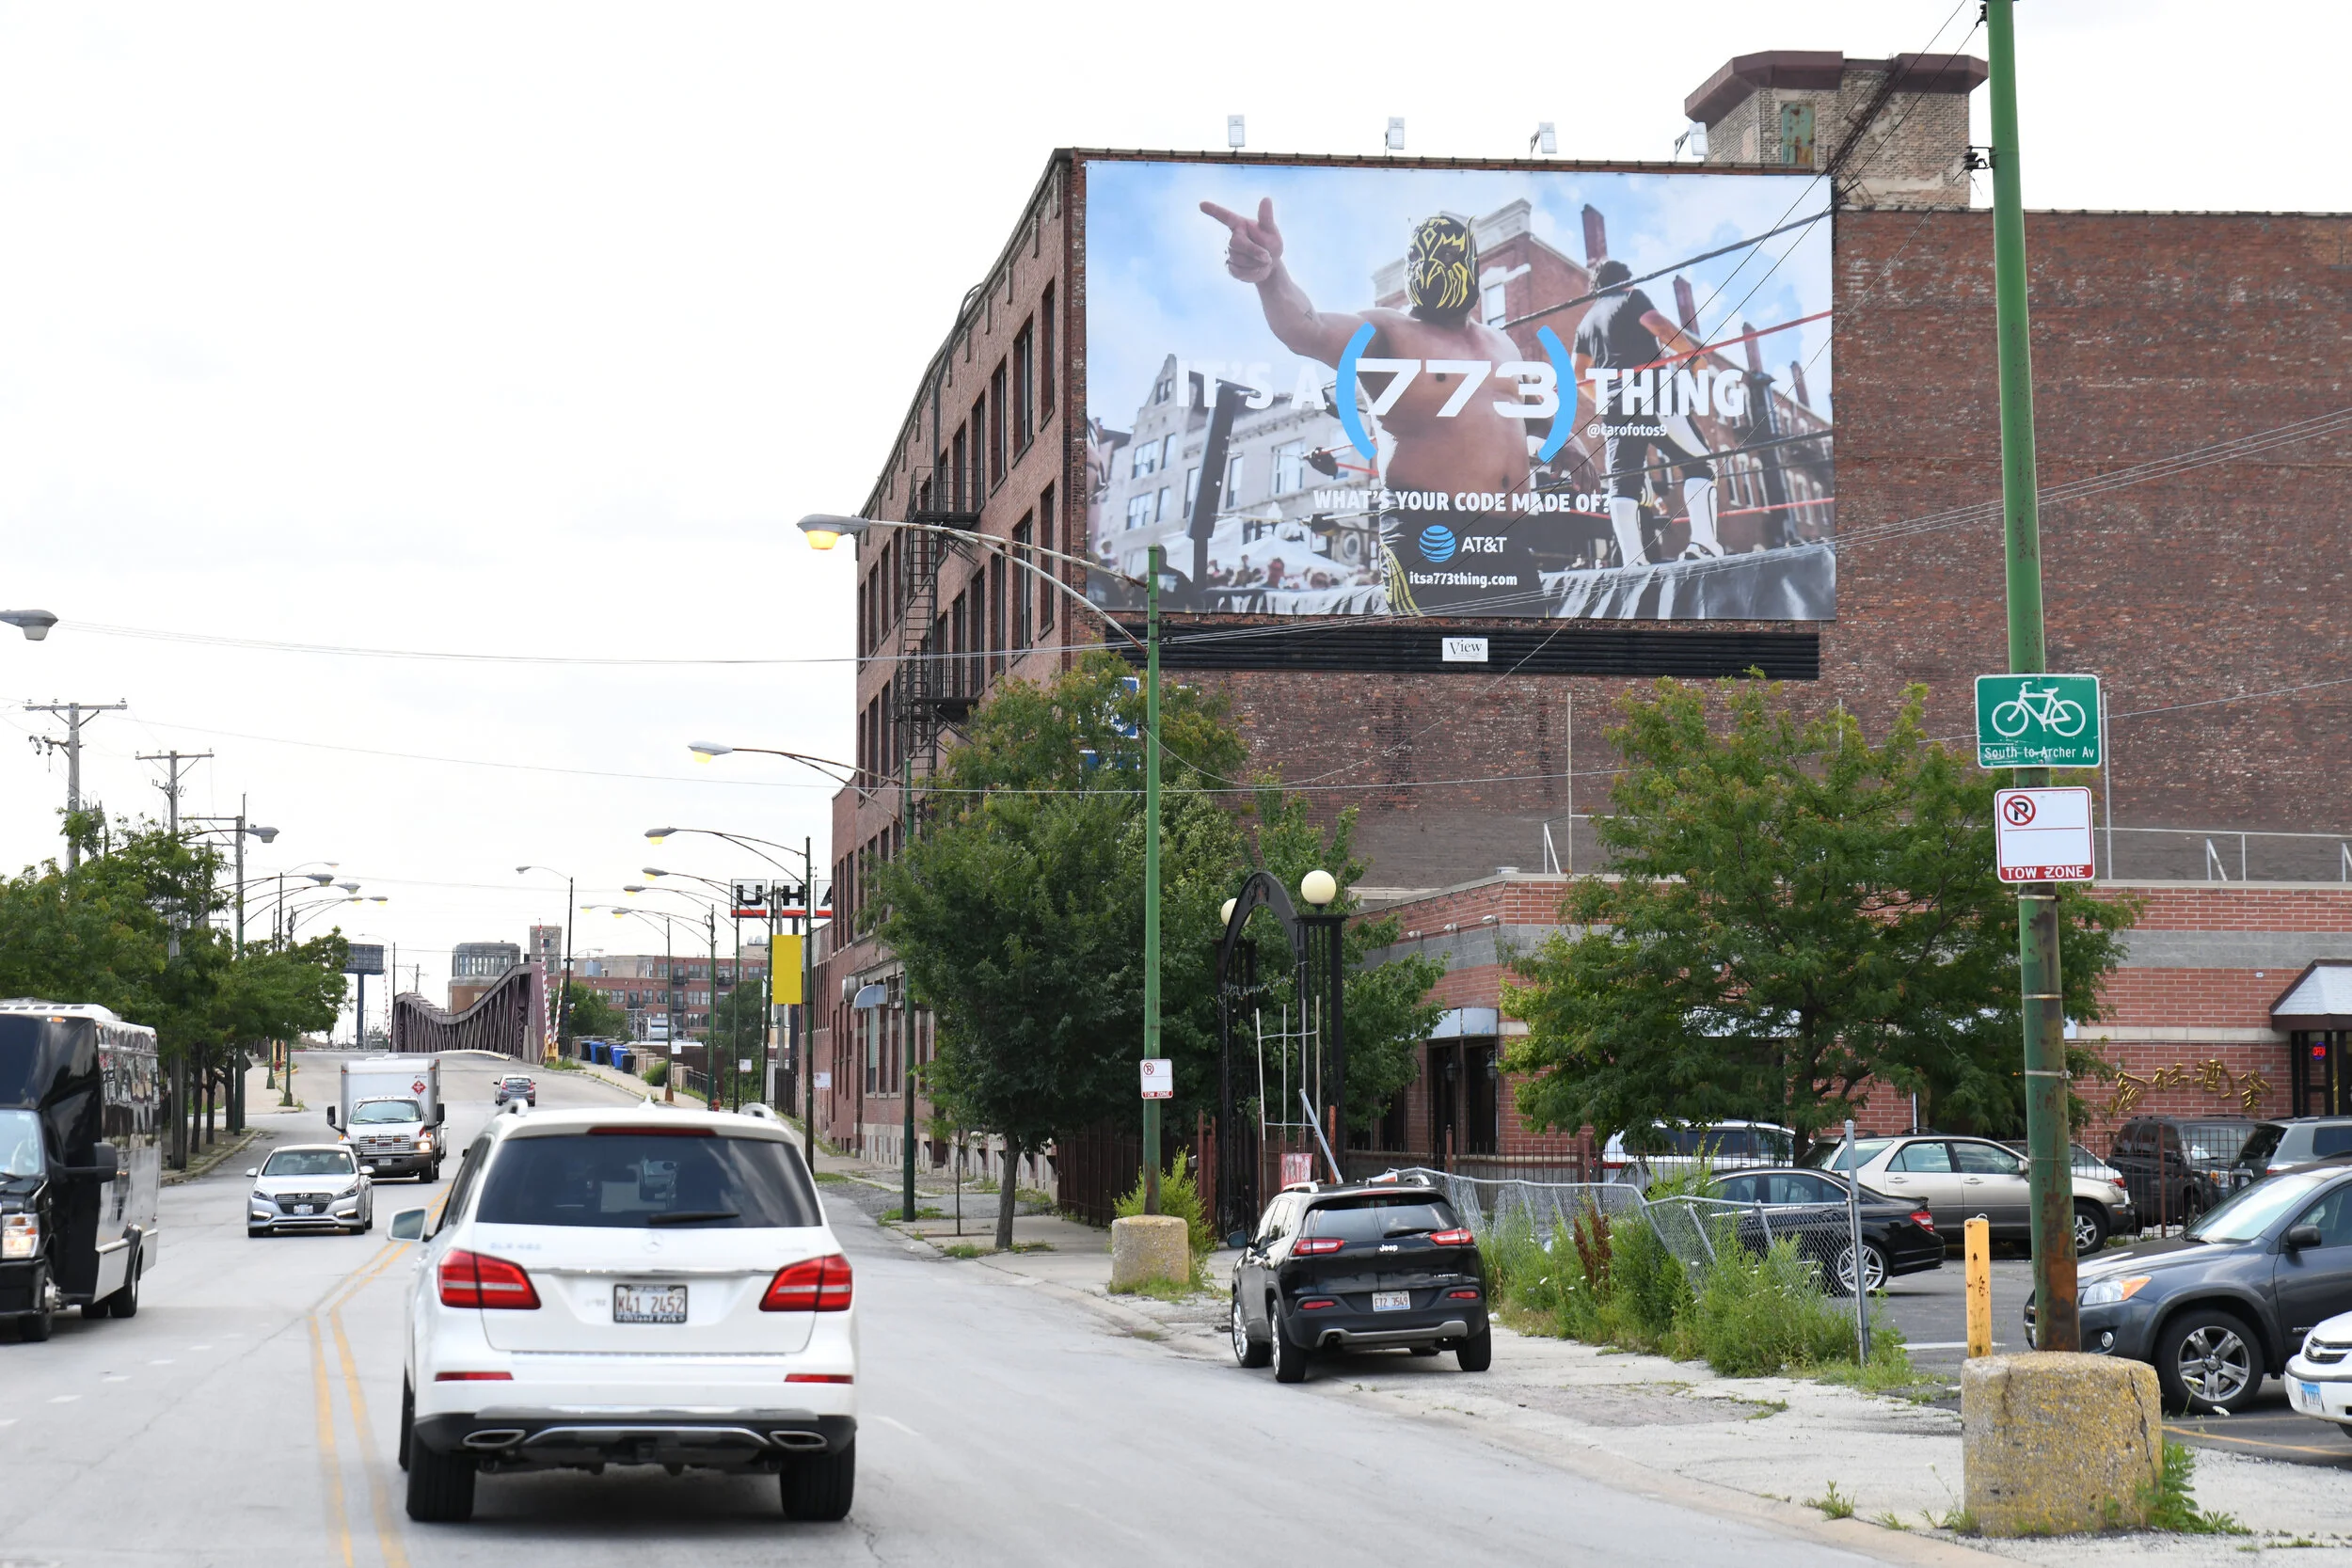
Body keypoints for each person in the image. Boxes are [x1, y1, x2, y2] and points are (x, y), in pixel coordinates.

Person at [1200, 198, 1547, 613]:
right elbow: (1308, 328)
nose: (1432, 265)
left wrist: (1572, 448)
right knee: (1430, 655)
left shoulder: (1502, 344)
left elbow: (1534, 413)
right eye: (1419, 256)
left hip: (1510, 537)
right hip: (1428, 531)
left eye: (1447, 255)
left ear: (1470, 262)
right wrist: (1271, 273)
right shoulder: (1388, 330)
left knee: (1523, 652)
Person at [1571, 259, 1724, 566]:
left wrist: (1607, 399)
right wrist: (1695, 358)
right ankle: (1704, 545)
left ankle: (1633, 561)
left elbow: (1578, 372)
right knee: (1701, 465)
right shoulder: (1632, 296)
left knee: (1622, 484)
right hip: (1652, 392)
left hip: (1615, 406)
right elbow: (1659, 325)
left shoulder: (1586, 322)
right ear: (1626, 281)